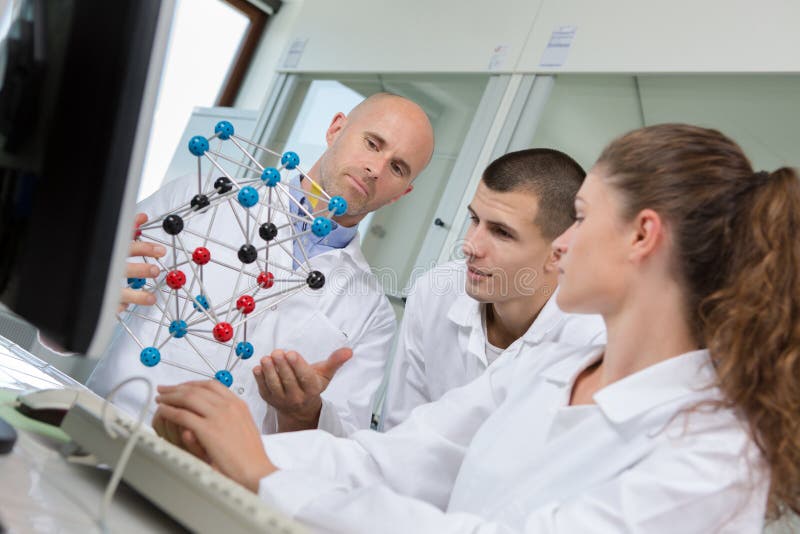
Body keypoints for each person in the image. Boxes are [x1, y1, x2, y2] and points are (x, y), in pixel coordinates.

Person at [152, 123, 800, 532]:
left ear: (641, 236)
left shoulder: (717, 451)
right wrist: (219, 444)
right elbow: (395, 458)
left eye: (578, 217)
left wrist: (266, 474)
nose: (562, 246)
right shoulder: (557, 358)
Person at [88, 93, 435, 437]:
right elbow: (74, 318)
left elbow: (339, 447)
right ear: (336, 129)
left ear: (401, 193)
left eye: (397, 167)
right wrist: (89, 295)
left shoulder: (372, 313)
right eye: (373, 143)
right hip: (109, 428)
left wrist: (303, 412)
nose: (375, 169)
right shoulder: (200, 198)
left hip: (216, 483)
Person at [382, 148, 605, 430]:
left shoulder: (592, 340)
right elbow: (400, 433)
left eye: (501, 232)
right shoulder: (434, 292)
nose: (470, 246)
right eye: (474, 219)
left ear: (558, 251)